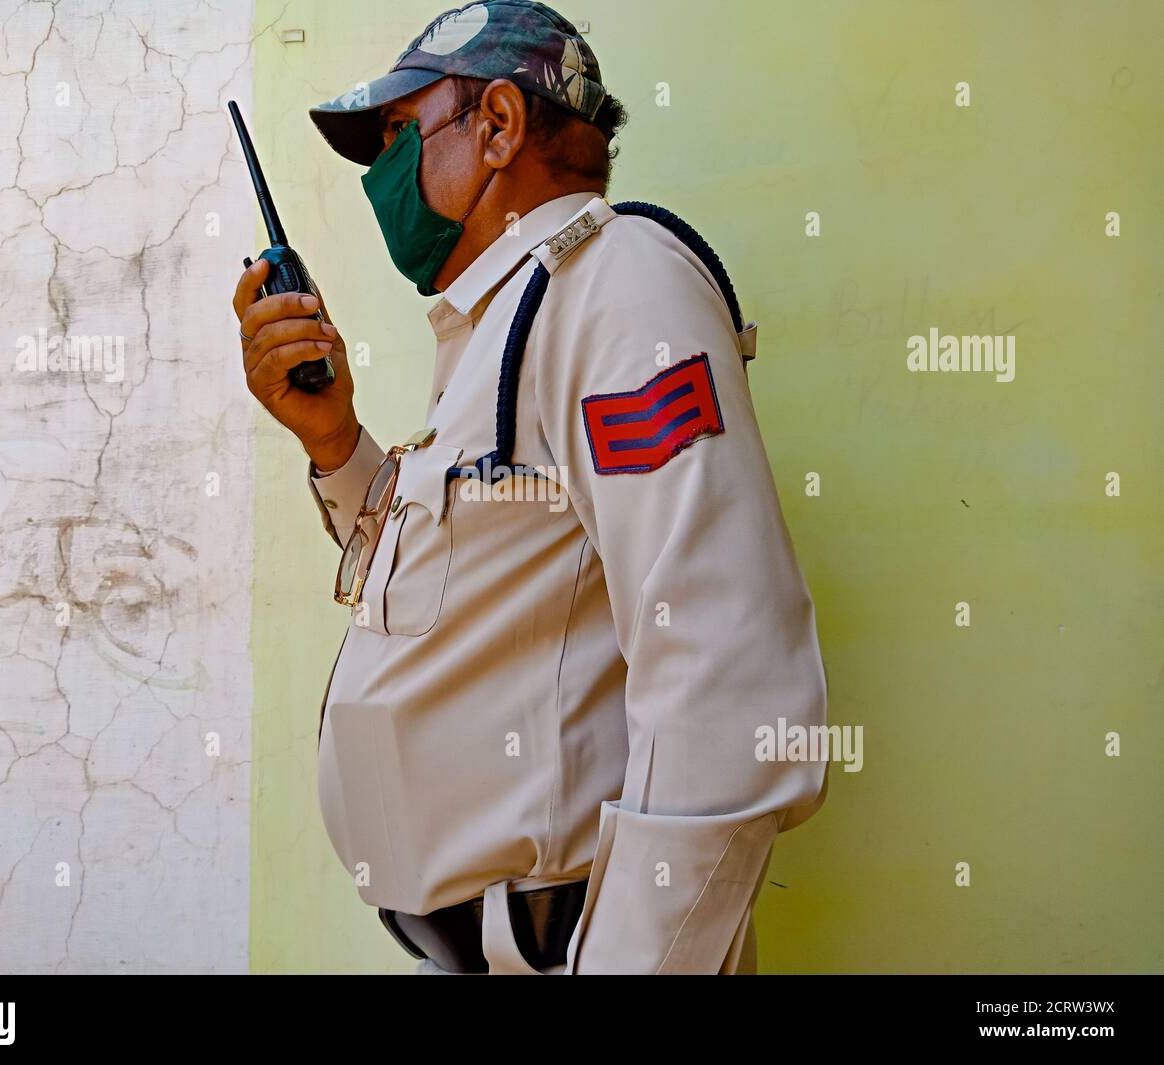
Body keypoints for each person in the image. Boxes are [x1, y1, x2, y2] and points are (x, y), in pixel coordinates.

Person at [233, 0, 828, 975]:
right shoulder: (500, 326)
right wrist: (334, 440)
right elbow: (448, 594)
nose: (380, 174)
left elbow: (728, 674)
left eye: (393, 135)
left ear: (500, 127)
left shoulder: (616, 284)